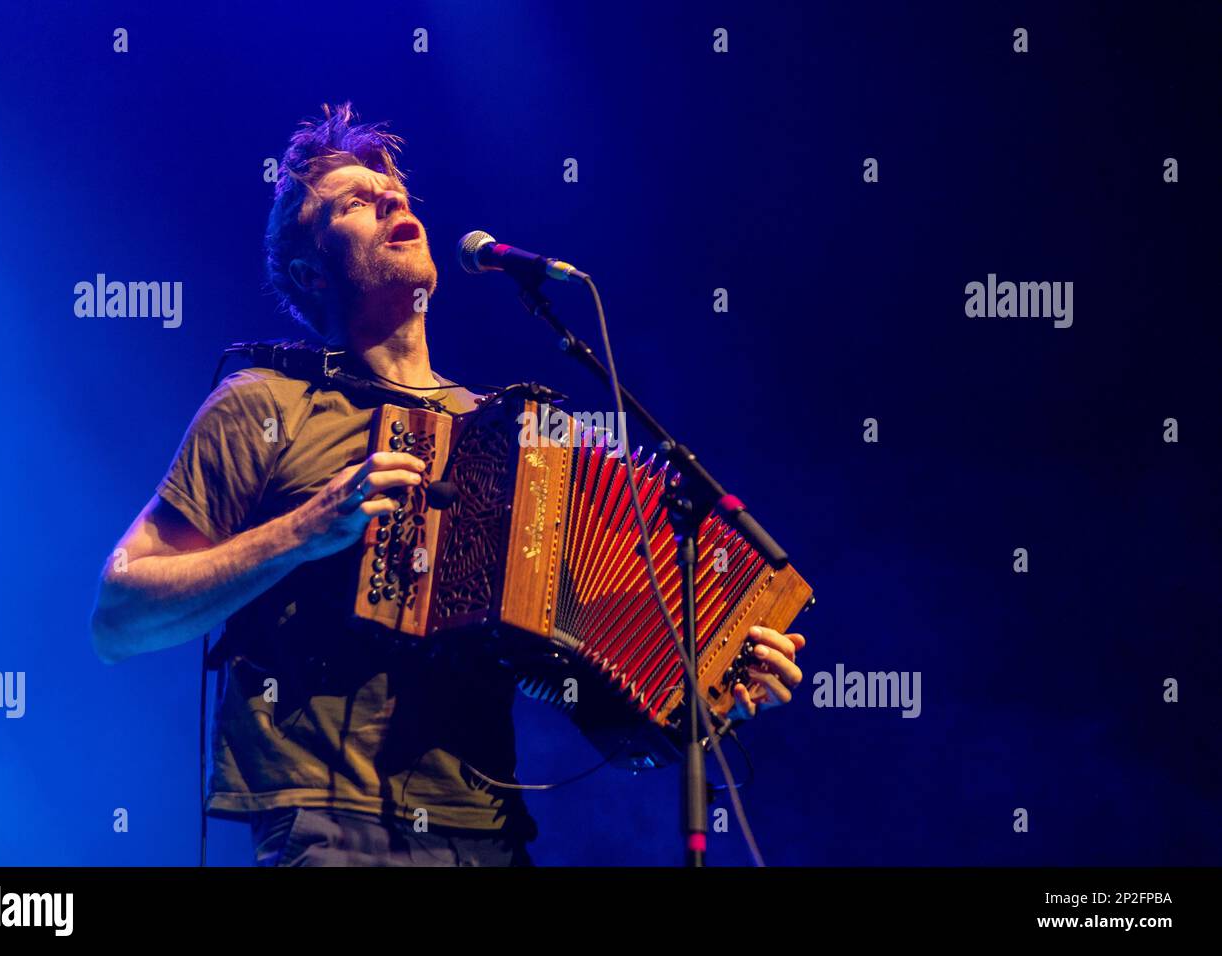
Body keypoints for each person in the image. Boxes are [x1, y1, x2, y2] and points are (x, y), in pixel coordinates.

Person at [89, 103, 806, 866]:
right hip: (330, 831)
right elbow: (120, 616)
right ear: (308, 270)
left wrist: (715, 675)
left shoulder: (510, 438)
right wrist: (301, 531)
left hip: (489, 834)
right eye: (356, 202)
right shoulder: (265, 404)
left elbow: (588, 662)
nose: (394, 201)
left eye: (395, 193)